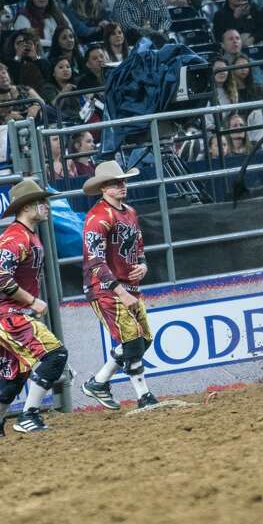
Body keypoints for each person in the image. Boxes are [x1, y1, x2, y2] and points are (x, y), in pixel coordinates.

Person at [0, 178, 74, 438]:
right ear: (26, 207)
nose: (46, 206)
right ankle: (28, 415)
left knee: (16, 371)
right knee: (55, 355)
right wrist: (31, 301)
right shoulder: (16, 238)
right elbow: (0, 278)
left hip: (2, 313)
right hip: (6, 313)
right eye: (41, 202)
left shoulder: (24, 236)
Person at [79, 160, 158, 410]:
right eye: (115, 182)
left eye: (122, 181)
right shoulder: (97, 217)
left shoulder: (130, 212)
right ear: (103, 188)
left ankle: (99, 382)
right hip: (105, 288)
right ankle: (143, 395)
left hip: (127, 285)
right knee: (133, 339)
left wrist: (143, 266)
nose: (121, 185)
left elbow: (139, 246)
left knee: (144, 339)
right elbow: (96, 262)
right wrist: (121, 292)